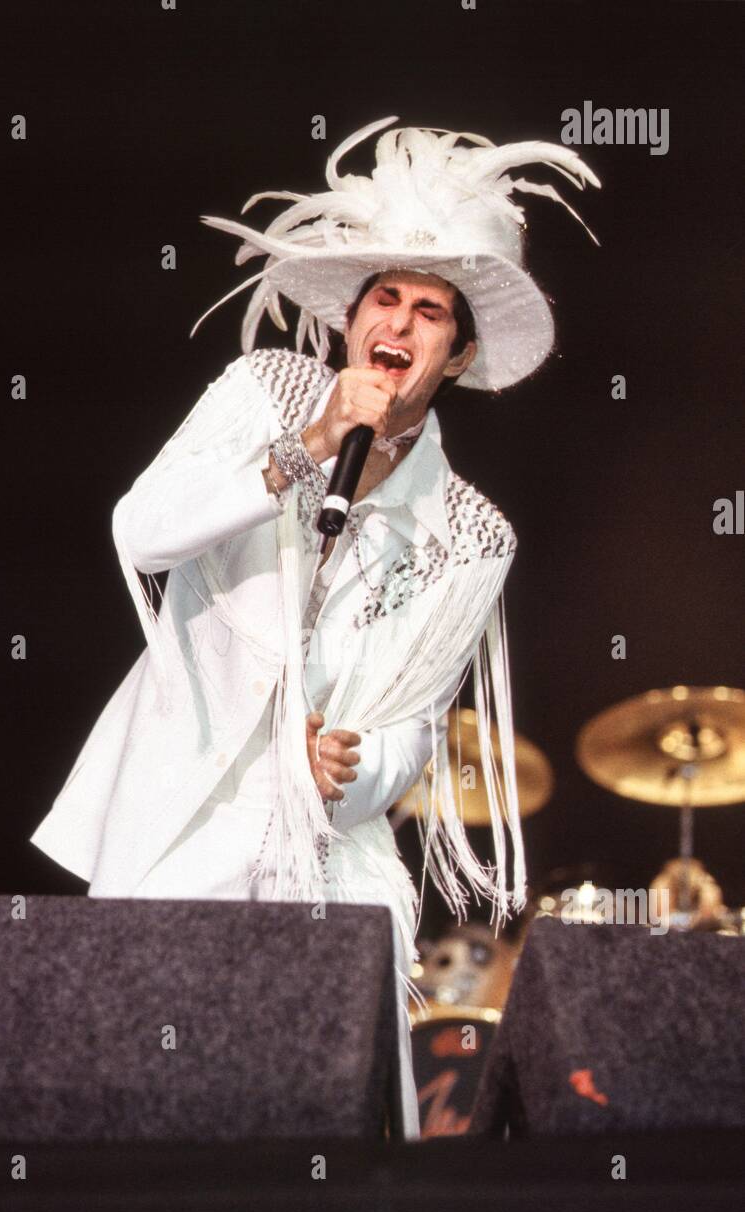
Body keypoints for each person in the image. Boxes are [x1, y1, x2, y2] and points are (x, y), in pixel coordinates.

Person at [30, 117, 600, 1137]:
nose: (401, 320)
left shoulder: (471, 534)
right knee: (133, 1115)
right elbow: (143, 532)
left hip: (323, 856)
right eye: (384, 296)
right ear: (350, 319)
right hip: (177, 812)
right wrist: (309, 445)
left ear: (458, 352)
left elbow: (411, 729)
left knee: (307, 1137)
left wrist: (353, 760)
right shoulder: (262, 391)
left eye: (430, 310)